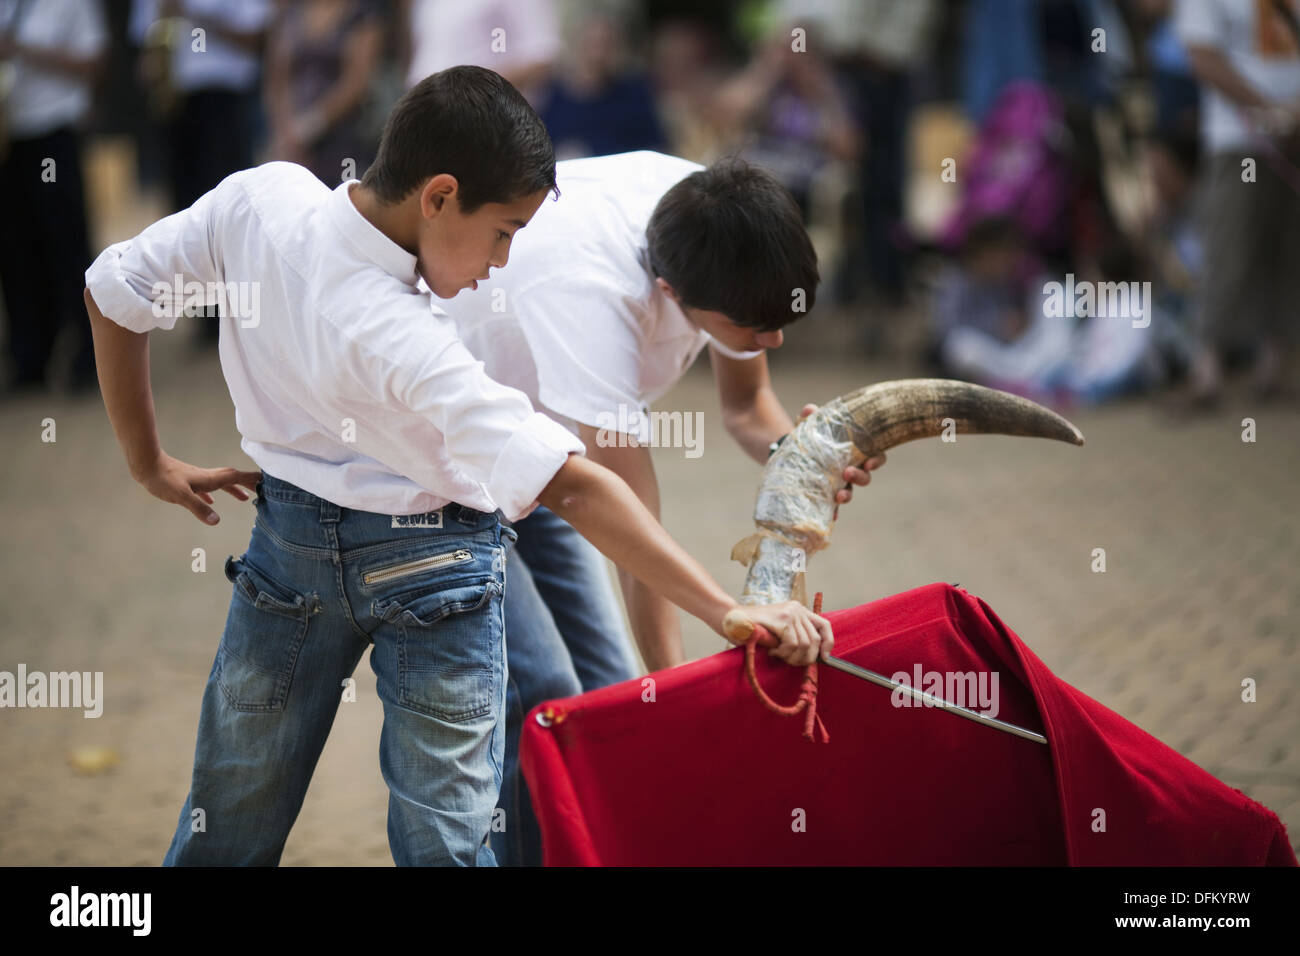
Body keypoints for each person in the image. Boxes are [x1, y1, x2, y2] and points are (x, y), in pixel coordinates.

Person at [83, 67, 832, 866]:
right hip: (442, 559)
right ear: (439, 196)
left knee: (229, 816)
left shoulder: (259, 198)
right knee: (448, 833)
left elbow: (112, 288)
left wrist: (146, 460)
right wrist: (728, 613)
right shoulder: (416, 343)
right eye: (505, 232)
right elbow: (580, 489)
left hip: (289, 552)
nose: (504, 262)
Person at [442, 151, 887, 866]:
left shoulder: (721, 219)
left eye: (782, 323)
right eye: (754, 329)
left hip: (542, 451)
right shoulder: (589, 288)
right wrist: (686, 680)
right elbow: (620, 510)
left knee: (621, 693)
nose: (771, 343)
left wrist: (803, 460)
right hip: (441, 470)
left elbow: (748, 410)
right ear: (668, 290)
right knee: (544, 694)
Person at [1173, 0, 1300, 406]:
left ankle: (1272, 368)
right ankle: (1207, 369)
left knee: (1288, 250)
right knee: (1229, 248)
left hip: (1292, 135)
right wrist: (1267, 110)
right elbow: (1201, 55)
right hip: (1236, 139)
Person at [0, 0, 108, 396]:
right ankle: (29, 357)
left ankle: (86, 356)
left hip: (54, 132)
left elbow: (93, 63)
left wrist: (22, 50)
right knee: (16, 252)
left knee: (66, 243)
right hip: (11, 136)